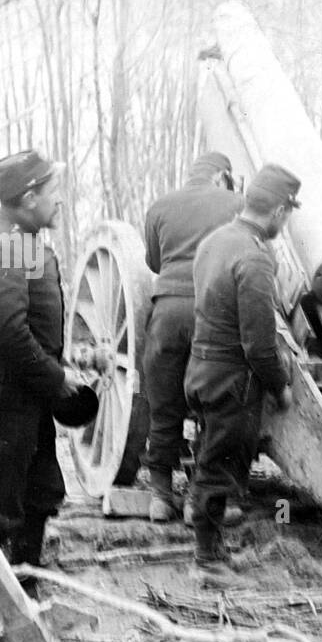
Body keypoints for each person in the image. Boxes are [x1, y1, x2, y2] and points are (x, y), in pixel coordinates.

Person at [0, 150, 78, 607]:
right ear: (28, 197)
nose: (60, 202)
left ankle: (22, 590)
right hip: (5, 396)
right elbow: (8, 335)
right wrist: (57, 381)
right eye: (53, 193)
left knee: (39, 489)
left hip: (26, 394)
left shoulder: (21, 241)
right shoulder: (6, 246)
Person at [185, 164, 298, 580]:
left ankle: (211, 550)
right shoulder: (254, 257)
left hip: (201, 370)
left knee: (209, 460)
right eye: (287, 217)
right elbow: (259, 345)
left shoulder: (213, 241)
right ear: (280, 211)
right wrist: (281, 388)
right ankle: (208, 561)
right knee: (219, 470)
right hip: (233, 381)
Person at [141, 152, 243, 522]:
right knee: (214, 407)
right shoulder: (237, 204)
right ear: (222, 177)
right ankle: (201, 500)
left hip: (168, 311)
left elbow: (153, 262)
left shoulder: (160, 206)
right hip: (212, 313)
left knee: (164, 402)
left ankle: (160, 495)